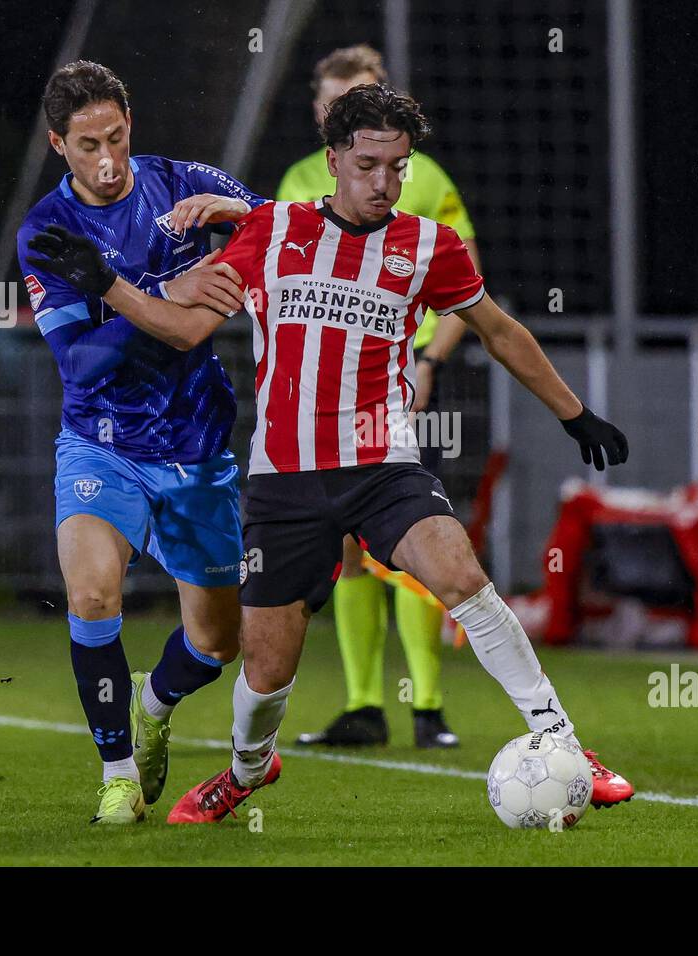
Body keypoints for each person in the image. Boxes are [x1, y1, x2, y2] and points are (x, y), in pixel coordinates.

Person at [145, 83, 635, 823]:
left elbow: (498, 330)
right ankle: (247, 772)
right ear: (334, 158)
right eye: (369, 164)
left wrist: (575, 414)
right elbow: (185, 317)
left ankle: (562, 738)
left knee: (463, 576)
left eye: (398, 166)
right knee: (267, 668)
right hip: (285, 481)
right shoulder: (272, 231)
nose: (385, 182)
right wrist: (118, 286)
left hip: (384, 465)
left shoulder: (428, 245)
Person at [16, 60, 265, 824]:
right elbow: (80, 360)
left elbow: (294, 231)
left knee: (218, 643)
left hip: (196, 444)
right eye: (88, 144)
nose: (108, 159)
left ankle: (154, 704)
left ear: (131, 123)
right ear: (59, 143)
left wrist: (237, 208)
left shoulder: (183, 184)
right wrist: (166, 293)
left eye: (117, 137)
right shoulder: (47, 233)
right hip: (102, 443)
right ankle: (118, 775)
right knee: (91, 594)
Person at [277, 43, 480, 749]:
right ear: (319, 115)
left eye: (362, 96)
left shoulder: (423, 181)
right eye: (336, 105)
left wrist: (427, 361)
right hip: (321, 405)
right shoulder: (298, 181)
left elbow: (469, 294)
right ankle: (365, 705)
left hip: (401, 387)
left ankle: (428, 706)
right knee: (350, 551)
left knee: (418, 542)